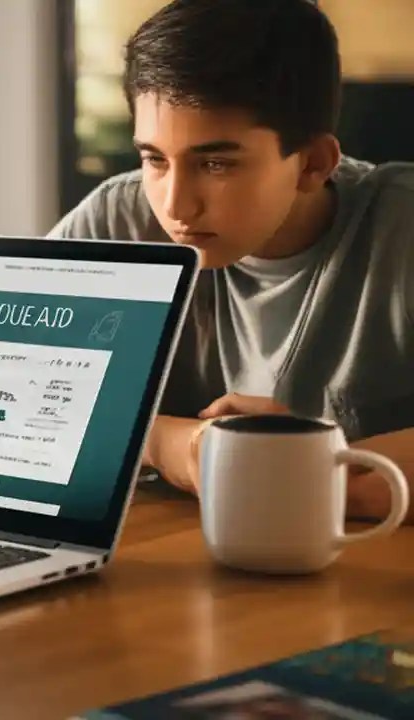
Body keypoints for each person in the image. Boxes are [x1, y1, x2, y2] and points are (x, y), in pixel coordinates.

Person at [48, 0, 414, 521]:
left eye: (215, 163)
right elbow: (4, 383)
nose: (174, 206)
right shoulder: (117, 221)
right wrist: (169, 444)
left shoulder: (401, 229)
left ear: (313, 163)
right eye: (154, 159)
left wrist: (305, 469)